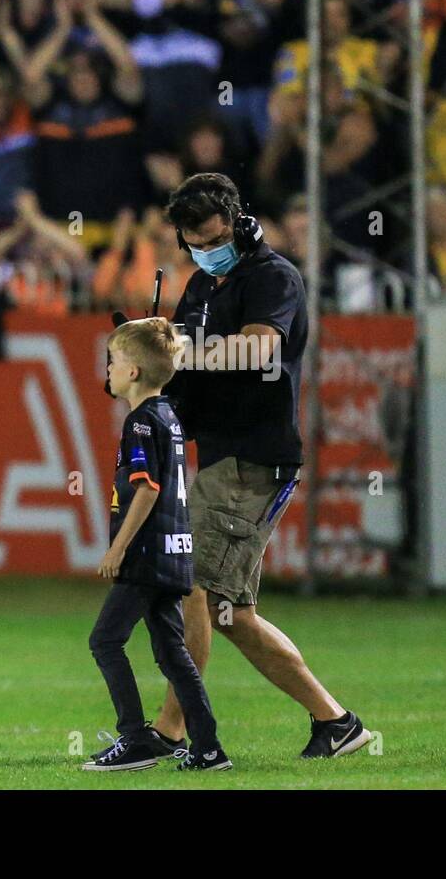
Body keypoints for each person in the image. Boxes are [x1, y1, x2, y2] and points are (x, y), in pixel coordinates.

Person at [152, 172, 371, 759]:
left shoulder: (274, 277)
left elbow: (256, 348)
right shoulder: (200, 286)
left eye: (213, 236)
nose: (205, 249)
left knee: (189, 585)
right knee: (230, 614)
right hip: (223, 457)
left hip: (255, 457)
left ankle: (173, 731)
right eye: (193, 241)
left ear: (239, 223)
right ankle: (336, 721)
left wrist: (181, 349)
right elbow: (186, 374)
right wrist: (147, 381)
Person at [86, 317, 230, 773]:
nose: (107, 369)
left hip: (147, 554)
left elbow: (146, 488)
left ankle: (134, 738)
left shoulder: (140, 424)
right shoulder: (169, 416)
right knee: (172, 653)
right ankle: (208, 748)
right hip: (175, 551)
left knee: (105, 640)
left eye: (113, 361)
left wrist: (117, 548)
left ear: (132, 373)